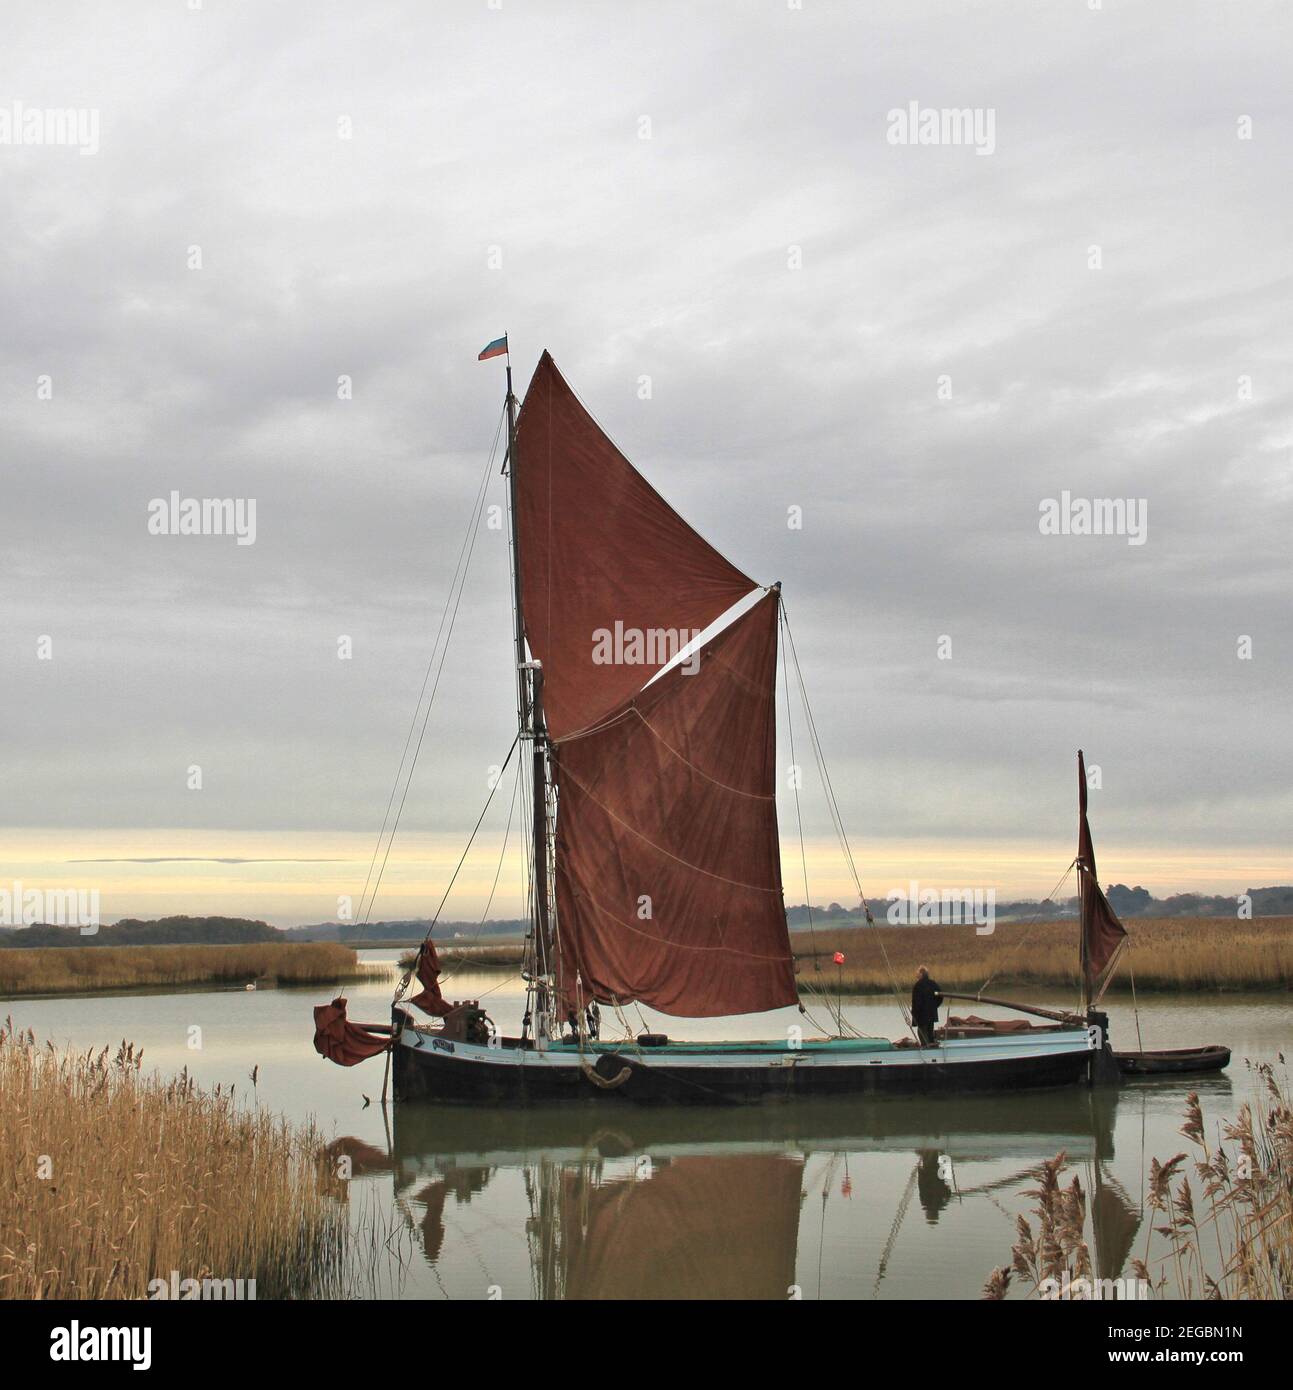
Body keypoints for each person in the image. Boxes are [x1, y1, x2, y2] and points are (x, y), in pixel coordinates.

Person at [910, 965, 943, 1047]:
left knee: (921, 1033)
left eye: (917, 972)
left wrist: (914, 1014)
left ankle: (926, 1049)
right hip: (931, 1014)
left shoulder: (918, 986)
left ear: (921, 974)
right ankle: (932, 1048)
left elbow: (916, 1002)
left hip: (921, 1015)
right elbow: (940, 996)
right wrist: (934, 1006)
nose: (916, 974)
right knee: (930, 1033)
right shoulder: (933, 984)